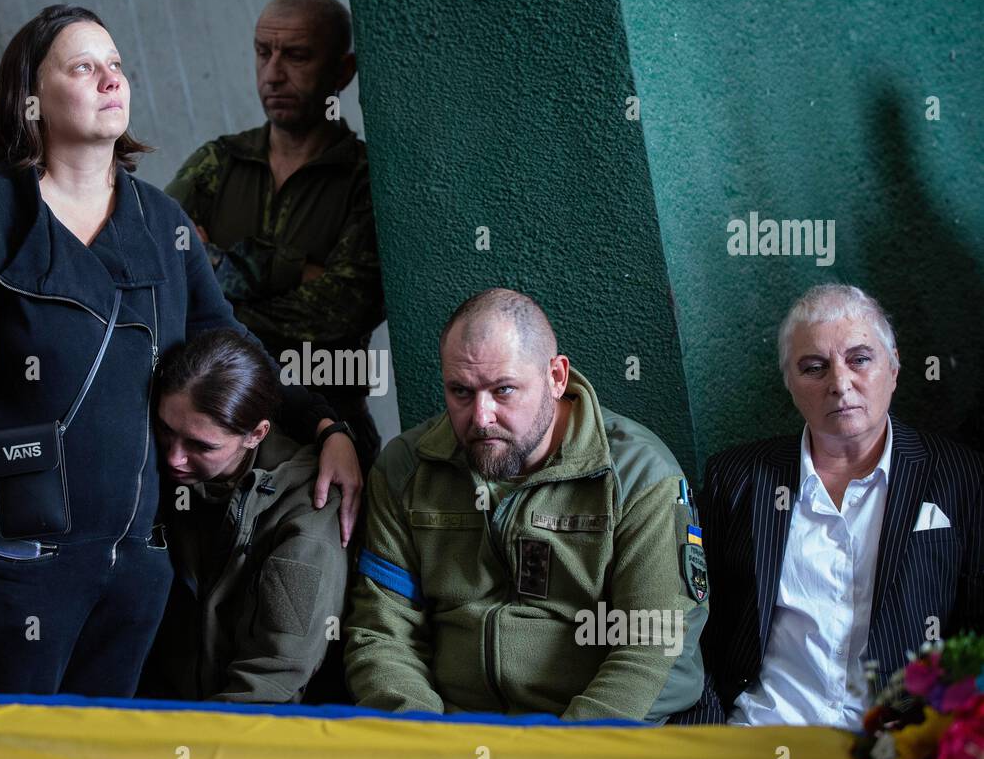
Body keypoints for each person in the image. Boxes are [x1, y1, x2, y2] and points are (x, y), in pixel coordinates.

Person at [0, 5, 361, 697]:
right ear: (31, 96)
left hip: (135, 569)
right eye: (84, 67)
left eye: (115, 65)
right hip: (13, 565)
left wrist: (325, 423)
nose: (110, 80)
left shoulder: (161, 222)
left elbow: (231, 345)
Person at [343, 289, 707, 721]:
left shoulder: (639, 475)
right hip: (446, 736)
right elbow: (382, 632)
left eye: (504, 390)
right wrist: (427, 743)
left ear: (556, 377)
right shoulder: (406, 469)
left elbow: (655, 646)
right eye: (460, 391)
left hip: (585, 746)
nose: (481, 417)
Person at [674, 284, 983, 726]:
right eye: (814, 368)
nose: (840, 384)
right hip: (758, 741)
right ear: (790, 384)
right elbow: (693, 626)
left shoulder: (962, 478)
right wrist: (710, 740)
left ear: (894, 368)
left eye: (860, 359)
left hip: (897, 752)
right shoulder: (737, 480)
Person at [165, 0, 384, 472]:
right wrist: (291, 271)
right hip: (210, 440)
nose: (274, 73)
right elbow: (160, 268)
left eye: (297, 56)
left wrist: (215, 280)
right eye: (264, 52)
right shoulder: (217, 161)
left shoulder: (366, 180)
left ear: (342, 71)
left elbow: (339, 313)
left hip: (327, 438)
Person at [138, 329, 348, 703]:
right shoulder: (157, 472)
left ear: (256, 434)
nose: (174, 458)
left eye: (201, 446)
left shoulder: (305, 518)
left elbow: (273, 677)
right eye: (167, 432)